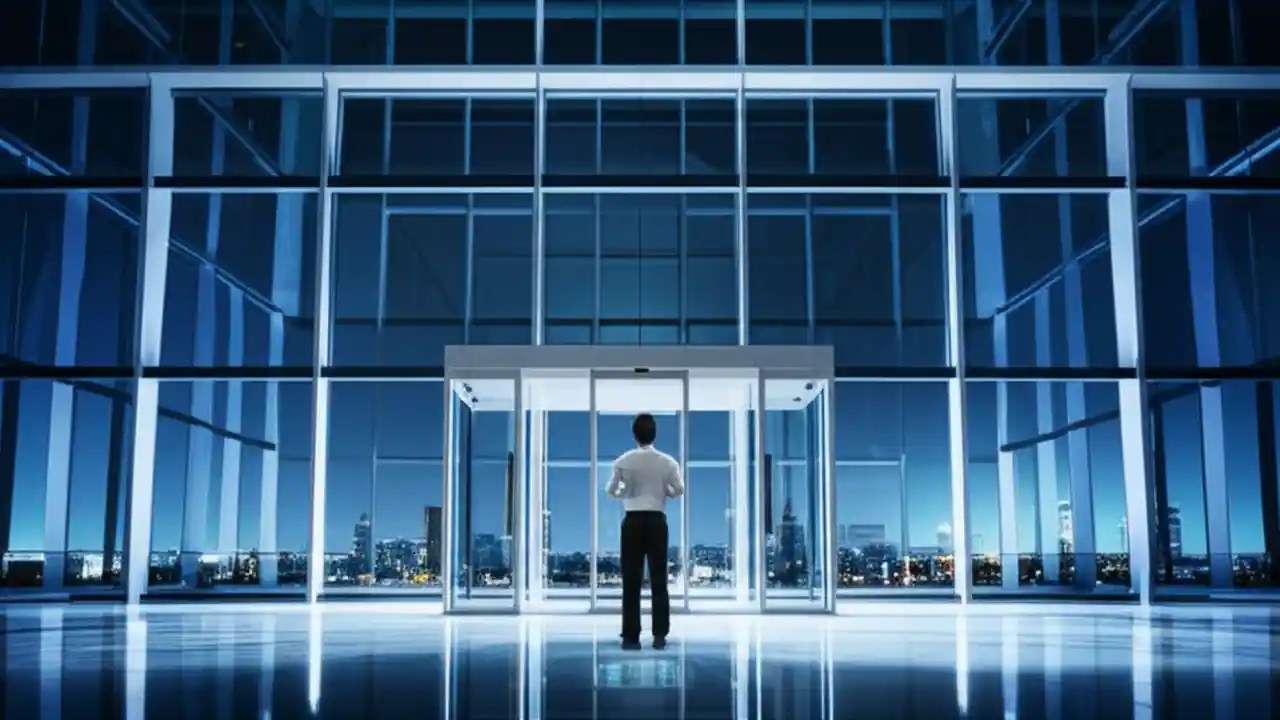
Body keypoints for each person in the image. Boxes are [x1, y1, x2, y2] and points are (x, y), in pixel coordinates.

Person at [605, 412, 684, 650]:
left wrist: (625, 493)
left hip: (632, 522)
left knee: (631, 580)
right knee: (659, 580)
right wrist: (664, 493)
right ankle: (659, 635)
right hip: (657, 521)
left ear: (634, 434)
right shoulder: (668, 462)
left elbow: (611, 491)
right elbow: (678, 489)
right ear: (654, 433)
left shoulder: (622, 461)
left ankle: (631, 636)